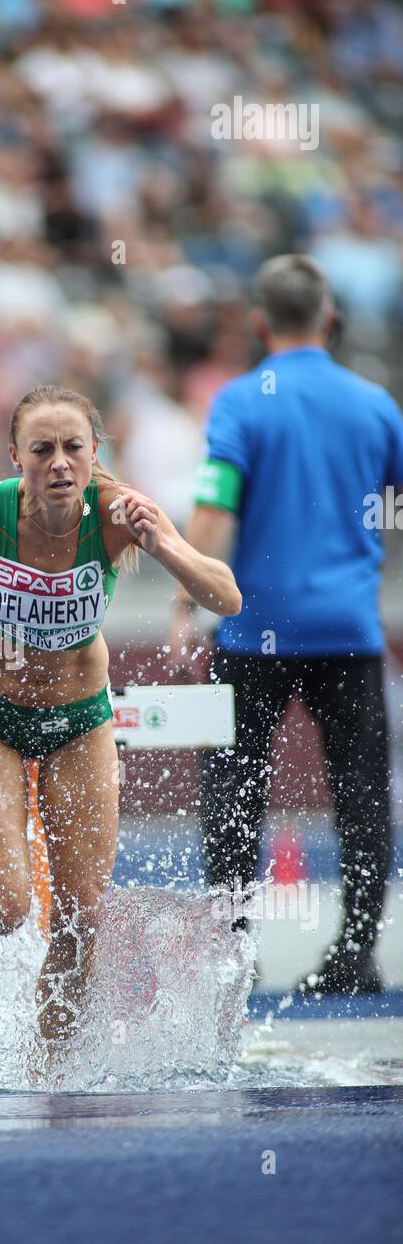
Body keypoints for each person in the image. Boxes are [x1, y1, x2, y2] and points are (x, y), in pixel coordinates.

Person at [0, 384, 241, 1061]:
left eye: (73, 447)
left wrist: (162, 543)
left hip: (81, 722)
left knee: (80, 918)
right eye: (41, 449)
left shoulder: (119, 514)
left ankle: (47, 1072)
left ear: (93, 453)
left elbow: (226, 594)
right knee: (5, 908)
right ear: (16, 456)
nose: (58, 463)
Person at [169, 254, 403, 995]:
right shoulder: (375, 405)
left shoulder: (242, 402)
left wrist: (187, 604)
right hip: (350, 629)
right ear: (331, 320)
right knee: (362, 793)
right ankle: (356, 954)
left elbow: (215, 510)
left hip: (251, 631)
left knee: (234, 794)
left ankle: (236, 954)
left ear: (257, 322)